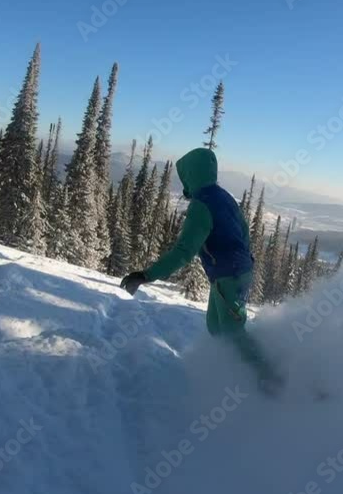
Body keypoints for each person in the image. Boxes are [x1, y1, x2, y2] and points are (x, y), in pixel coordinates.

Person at [119, 147, 284, 394]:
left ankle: (272, 380)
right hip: (231, 274)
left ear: (191, 175)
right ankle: (231, 375)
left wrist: (146, 275)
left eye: (184, 176)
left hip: (231, 275)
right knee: (216, 327)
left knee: (232, 331)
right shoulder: (224, 197)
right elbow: (245, 233)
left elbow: (184, 251)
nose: (183, 182)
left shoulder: (201, 206)